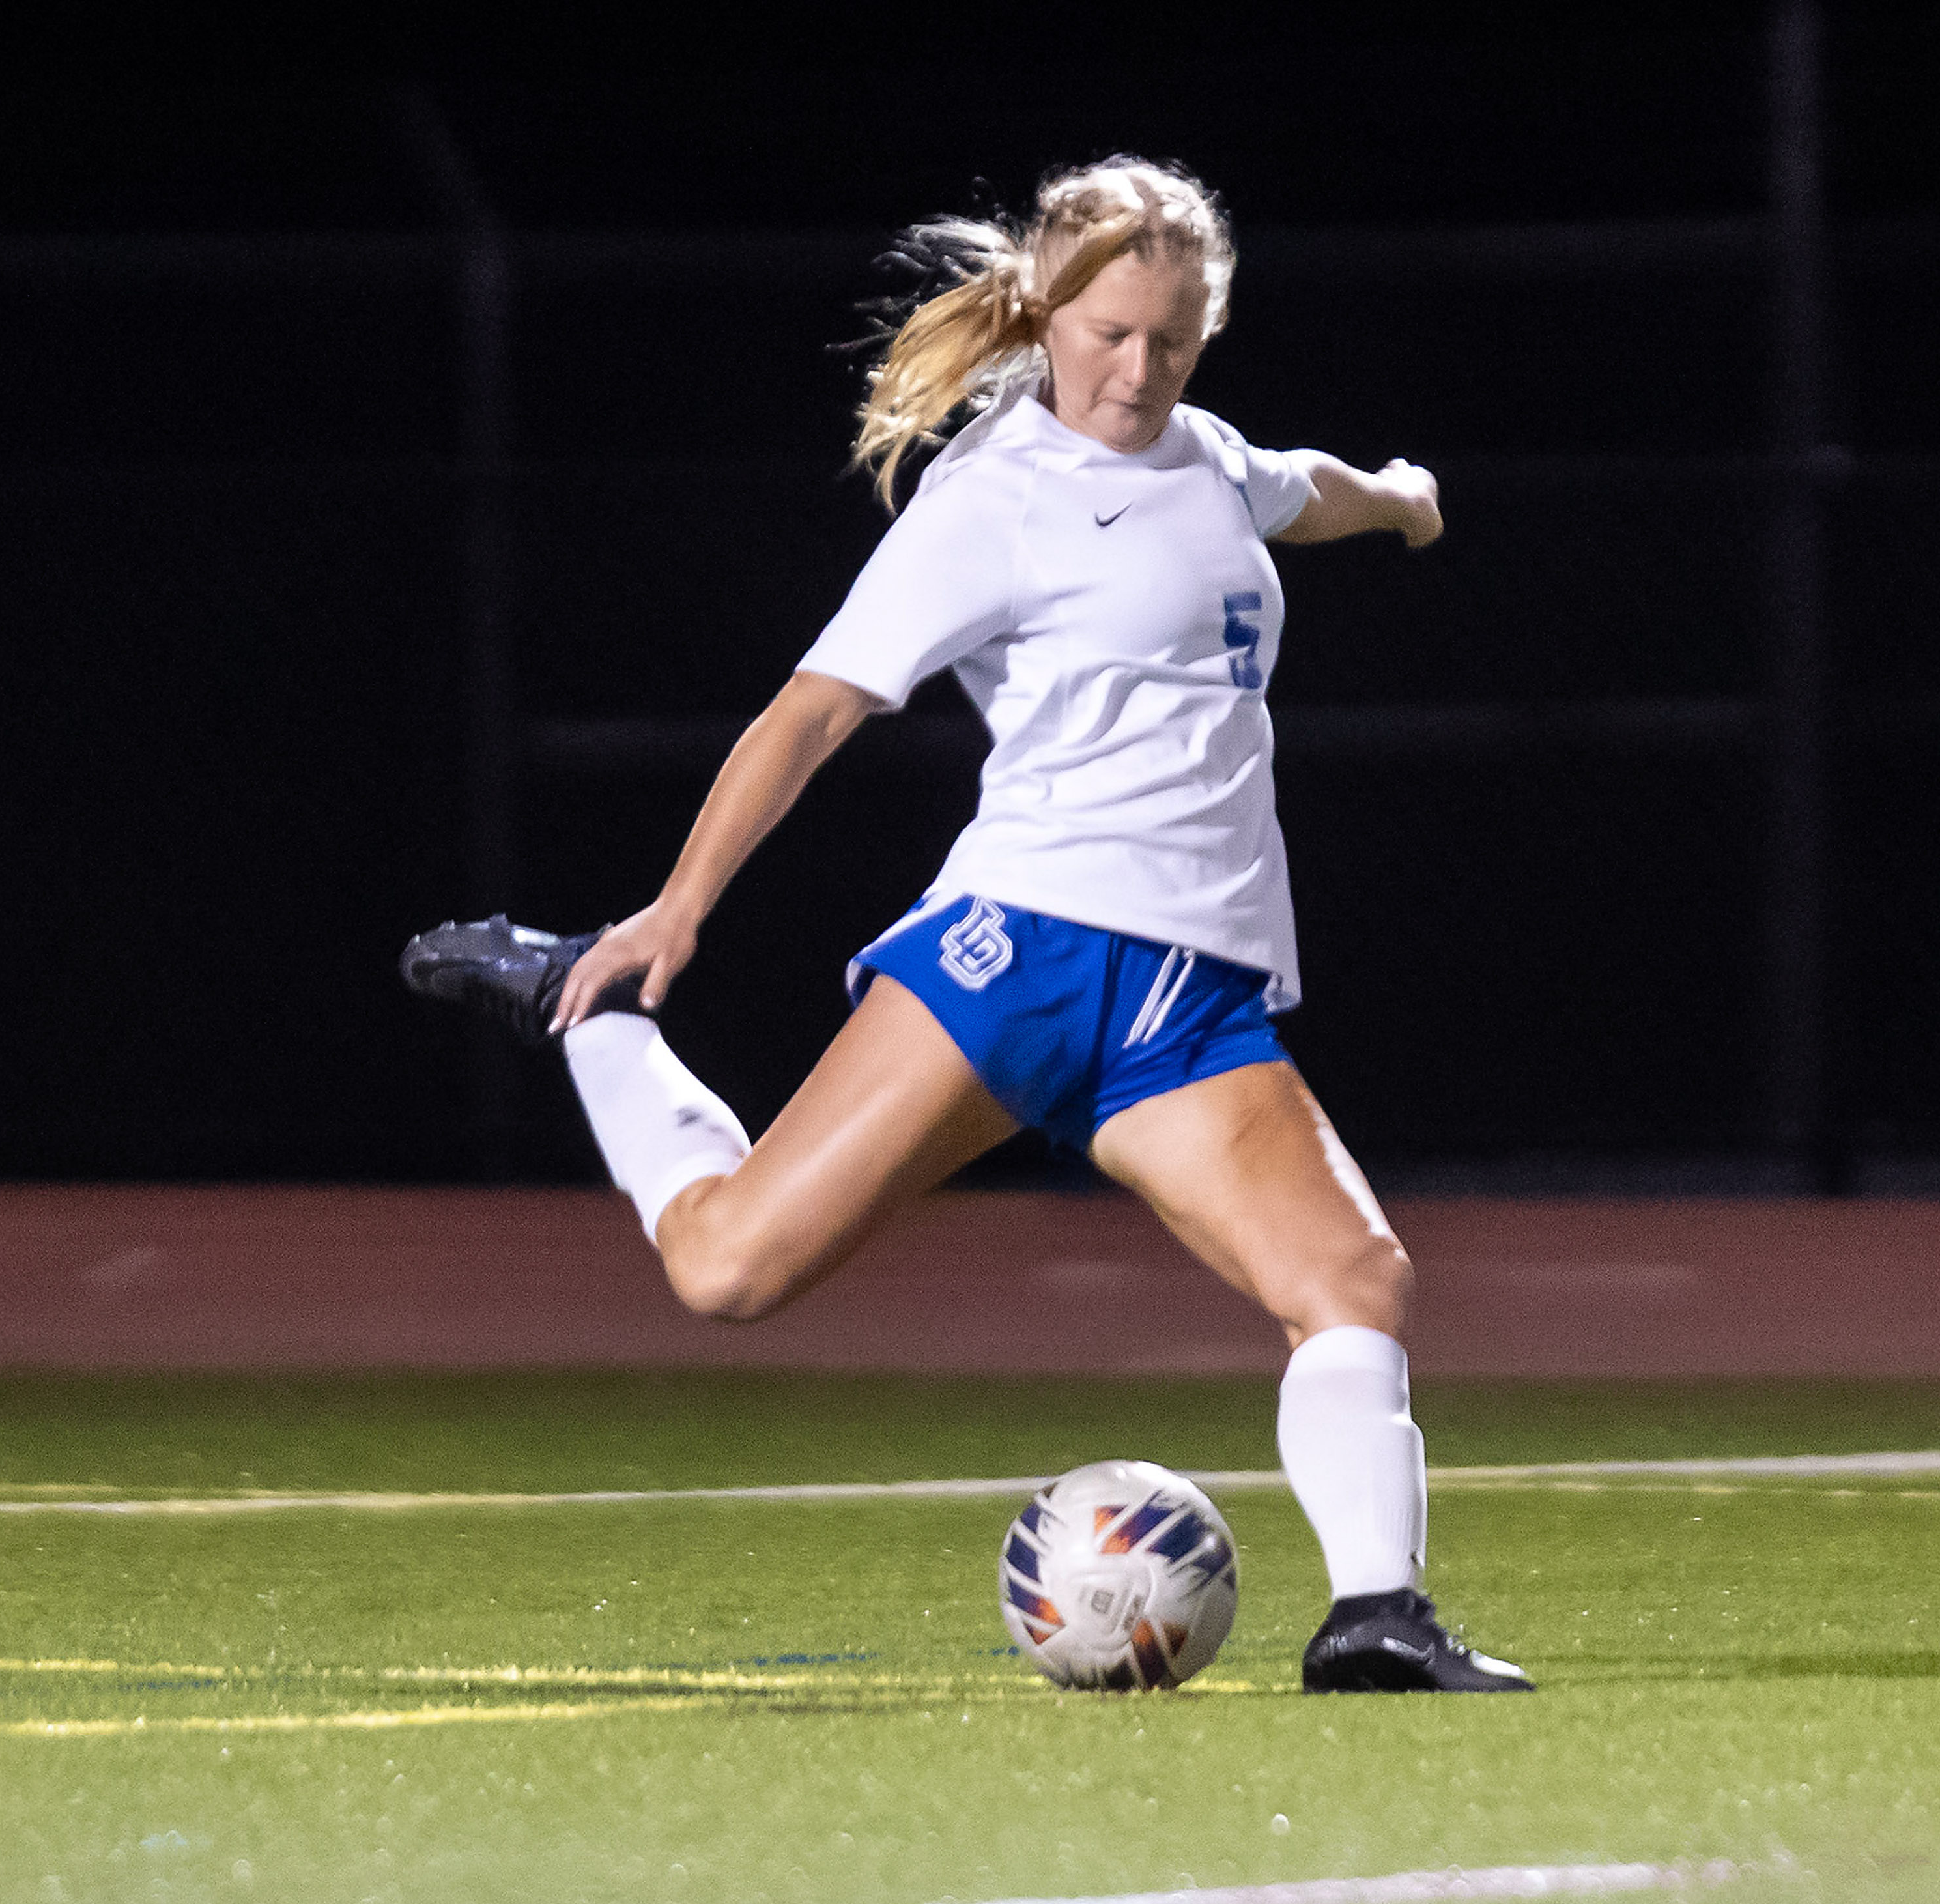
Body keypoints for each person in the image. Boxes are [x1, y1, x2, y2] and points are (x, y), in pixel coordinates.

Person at [403, 157, 1528, 1693]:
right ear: (1049, 313)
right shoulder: (993, 499)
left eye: (1173, 341)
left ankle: (1375, 1619)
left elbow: (1292, 485)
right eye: (1109, 334)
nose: (1136, 372)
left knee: (1353, 1283)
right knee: (728, 1272)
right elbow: (813, 712)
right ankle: (589, 1017)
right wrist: (677, 905)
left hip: (1191, 999)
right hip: (1024, 956)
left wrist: (1398, 500)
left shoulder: (1206, 458)